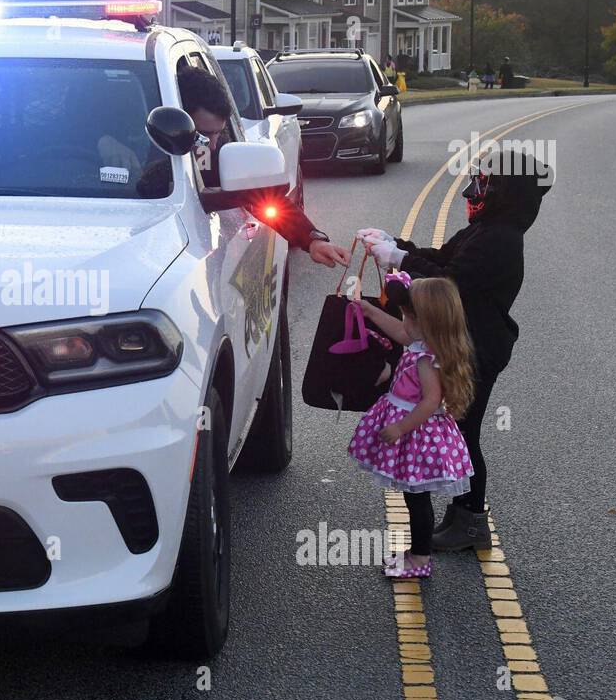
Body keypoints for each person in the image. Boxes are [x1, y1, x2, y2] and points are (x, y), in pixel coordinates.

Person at [357, 148, 550, 549]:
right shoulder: (486, 229)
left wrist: (399, 258)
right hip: (465, 343)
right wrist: (397, 246)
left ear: (505, 190)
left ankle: (471, 521)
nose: (475, 189)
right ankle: (464, 517)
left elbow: (448, 282)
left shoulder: (502, 239)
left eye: (486, 181)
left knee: (464, 432)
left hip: (478, 349)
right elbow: (441, 258)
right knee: (461, 430)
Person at [348, 275, 476, 578]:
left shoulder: (426, 358)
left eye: (407, 316)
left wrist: (400, 428)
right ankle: (417, 552)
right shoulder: (422, 342)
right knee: (412, 497)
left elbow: (431, 401)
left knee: (417, 499)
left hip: (416, 435)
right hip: (413, 431)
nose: (402, 322)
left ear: (424, 322)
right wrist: (369, 310)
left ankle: (420, 558)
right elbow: (401, 332)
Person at [175, 65, 350, 267]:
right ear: (180, 122)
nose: (212, 144)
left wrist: (312, 240)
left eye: (218, 133)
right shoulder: (143, 156)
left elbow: (262, 197)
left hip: (205, 257)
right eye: (203, 135)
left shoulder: (220, 151)